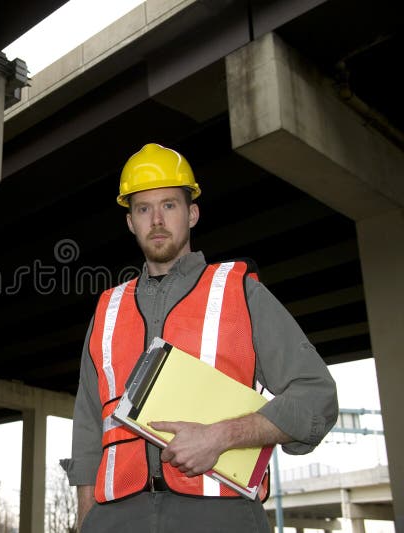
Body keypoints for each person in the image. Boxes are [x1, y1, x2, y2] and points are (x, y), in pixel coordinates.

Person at [64, 143, 338, 532]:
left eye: (169, 205)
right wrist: (87, 514)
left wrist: (221, 436)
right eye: (143, 208)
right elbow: (89, 422)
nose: (156, 219)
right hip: (116, 519)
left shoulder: (241, 292)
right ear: (130, 222)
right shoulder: (107, 308)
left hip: (220, 514)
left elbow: (317, 397)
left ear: (192, 213)